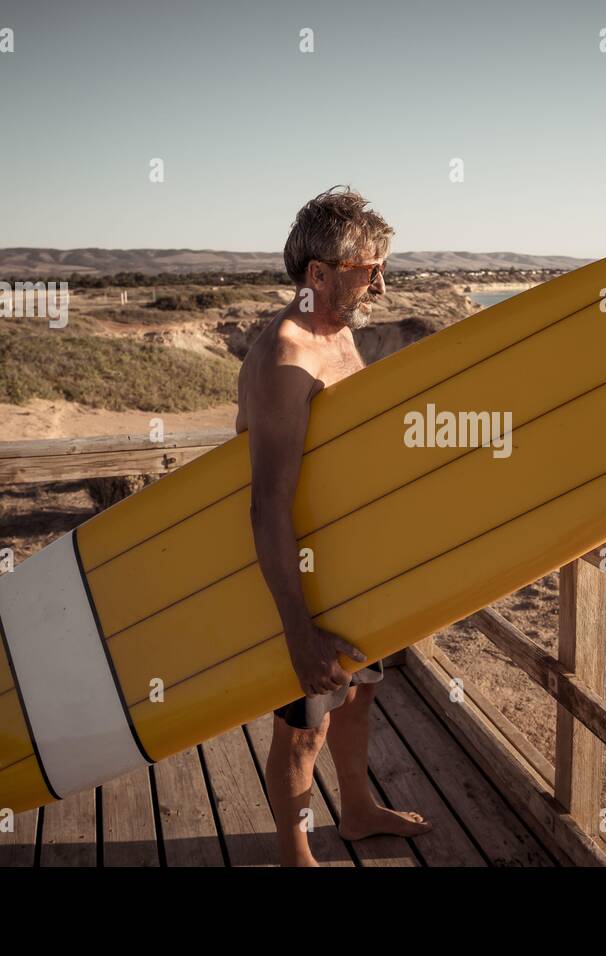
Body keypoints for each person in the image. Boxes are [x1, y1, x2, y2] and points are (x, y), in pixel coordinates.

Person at [236, 186, 432, 866]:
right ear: (318, 274)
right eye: (367, 270)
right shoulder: (285, 359)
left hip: (352, 567)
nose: (380, 284)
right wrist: (298, 630)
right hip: (304, 580)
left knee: (358, 701)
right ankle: (296, 854)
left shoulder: (337, 331)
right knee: (303, 729)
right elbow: (267, 504)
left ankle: (355, 809)